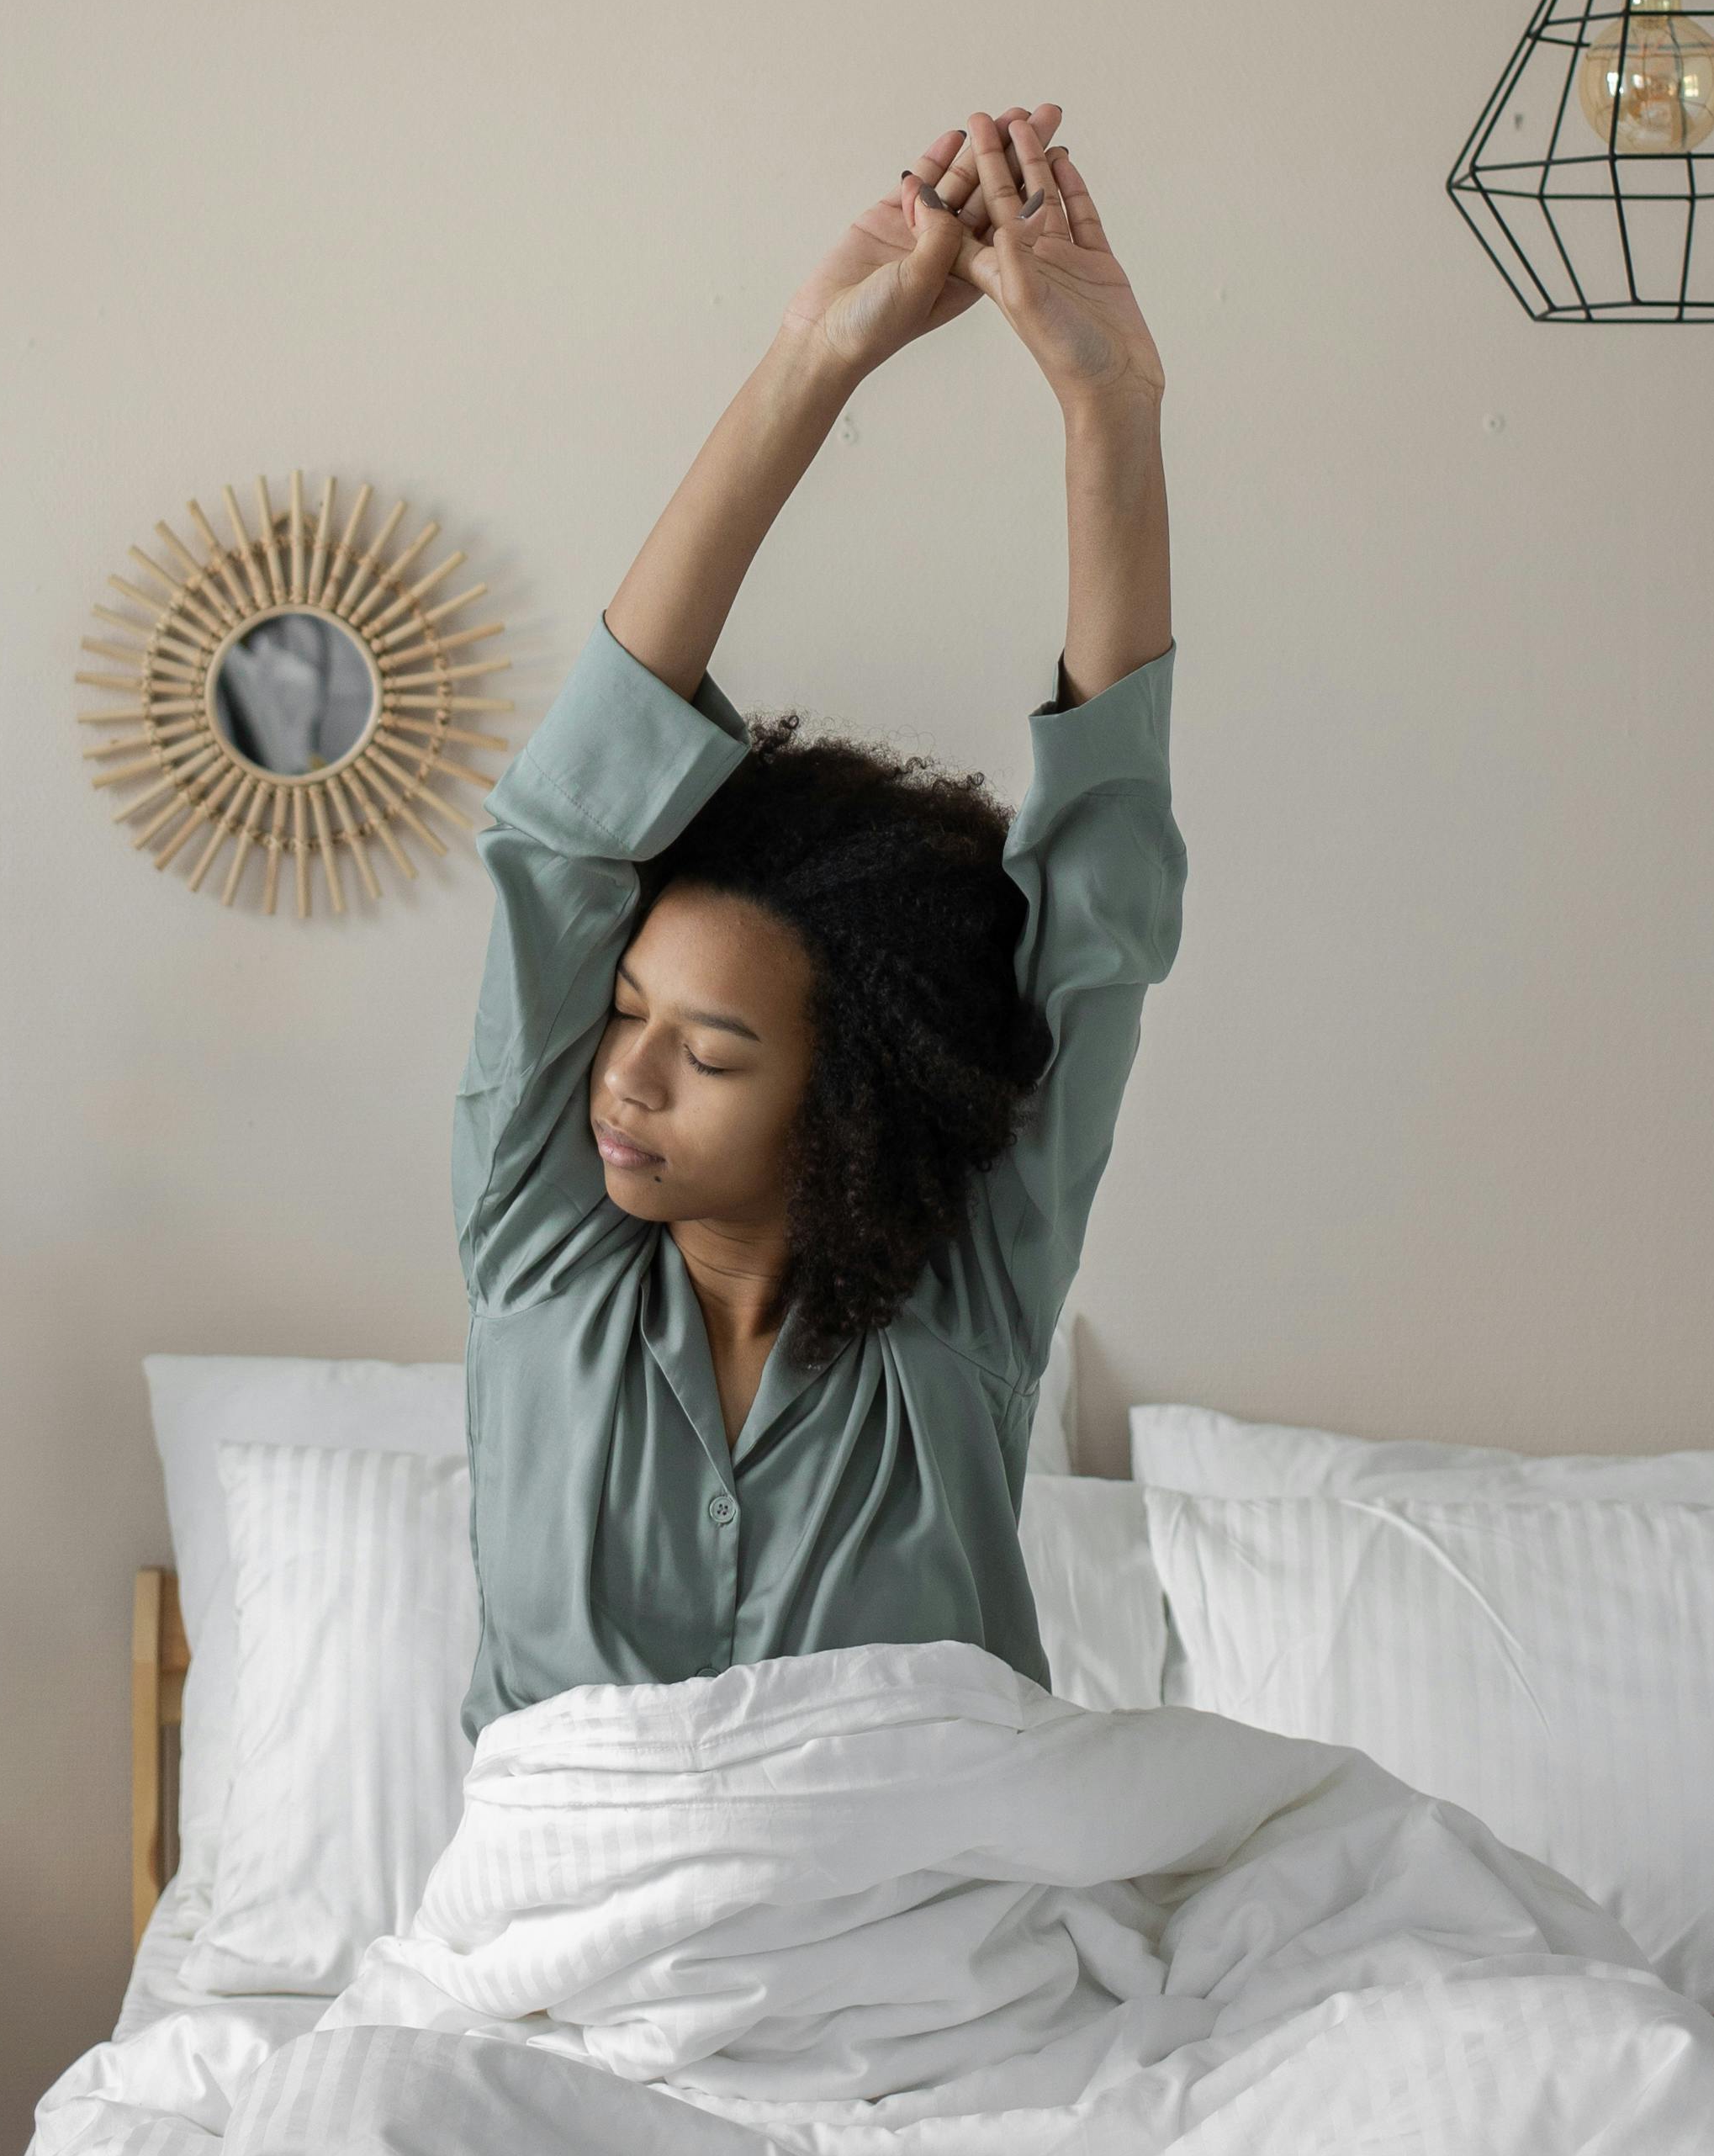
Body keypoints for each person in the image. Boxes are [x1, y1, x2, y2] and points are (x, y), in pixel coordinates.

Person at [454, 103, 1182, 1739]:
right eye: (624, 1010)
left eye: (707, 1053)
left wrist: (1106, 400)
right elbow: (561, 834)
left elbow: (1094, 922)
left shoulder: (967, 1304)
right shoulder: (537, 1250)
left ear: (846, 1093)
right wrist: (813, 357)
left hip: (921, 1963)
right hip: (564, 1967)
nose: (622, 1079)